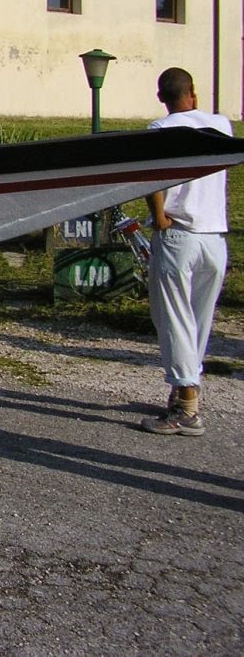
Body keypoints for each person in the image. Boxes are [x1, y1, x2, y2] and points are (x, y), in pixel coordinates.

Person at [140, 67, 233, 436]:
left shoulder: (160, 129)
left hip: (179, 233)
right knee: (197, 321)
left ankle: (186, 406)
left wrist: (159, 216)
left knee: (173, 320)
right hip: (214, 236)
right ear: (192, 92)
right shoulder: (221, 125)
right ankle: (185, 391)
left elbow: (151, 177)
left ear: (160, 97)